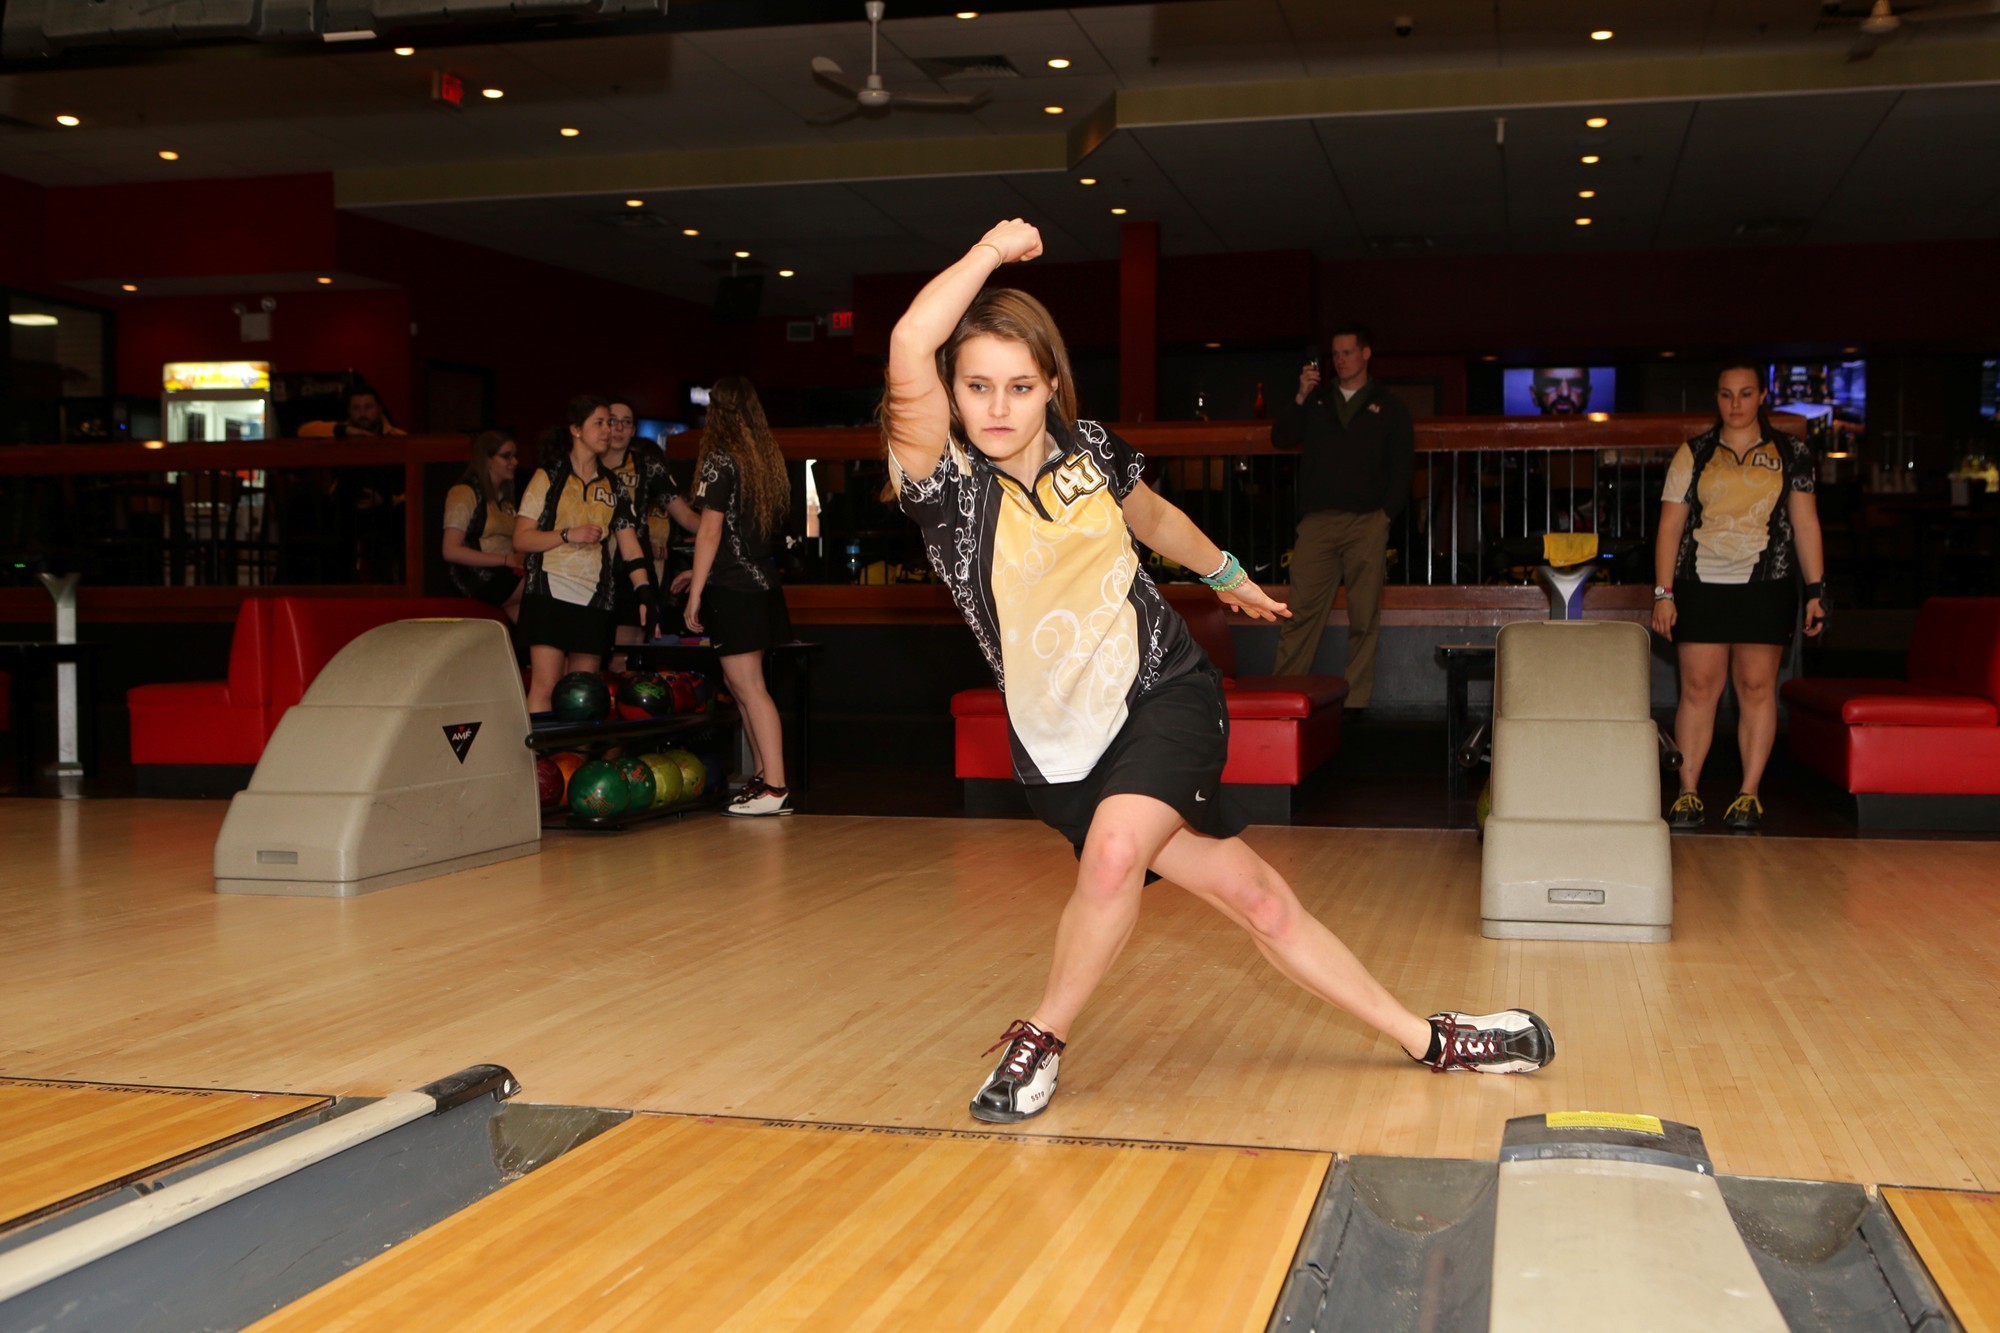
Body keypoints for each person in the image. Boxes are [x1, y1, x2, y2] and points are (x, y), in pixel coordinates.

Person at [884, 219, 1553, 1125]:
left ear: (1051, 389)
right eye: (977, 387)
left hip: (1165, 692)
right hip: (1062, 749)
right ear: (954, 396)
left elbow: (1154, 518)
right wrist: (990, 256)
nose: (997, 406)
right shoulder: (945, 487)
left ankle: (1039, 1037)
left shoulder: (1091, 450)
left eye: (1019, 385)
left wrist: (1228, 575)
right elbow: (909, 340)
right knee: (1262, 905)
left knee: (1117, 853)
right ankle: (1432, 1038)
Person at [1652, 363, 1828, 833]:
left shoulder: (1791, 453)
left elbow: (1806, 525)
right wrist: (1663, 593)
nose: (1735, 404)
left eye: (1745, 394)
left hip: (1766, 585)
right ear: (1717, 397)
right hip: (1700, 584)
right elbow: (1669, 527)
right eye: (1727, 394)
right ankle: (1687, 794)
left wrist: (1816, 590)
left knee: (1755, 689)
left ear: (1762, 396)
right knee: (1698, 690)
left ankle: (1748, 795)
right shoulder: (1694, 453)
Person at [1268, 324, 1414, 706]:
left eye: (1348, 352)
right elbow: (1281, 436)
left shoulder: (1391, 406)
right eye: (1336, 354)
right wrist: (1301, 395)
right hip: (1317, 521)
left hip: (1368, 521)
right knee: (1299, 613)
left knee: (1364, 616)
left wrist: (1385, 516)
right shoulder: (1317, 401)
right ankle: (1283, 697)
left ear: (1366, 354)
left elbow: (1403, 468)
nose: (1340, 360)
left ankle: (1356, 702)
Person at [684, 377, 796, 817]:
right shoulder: (761, 461)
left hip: (733, 587)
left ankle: (774, 787)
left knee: (749, 687)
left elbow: (709, 531)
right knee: (744, 686)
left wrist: (694, 594)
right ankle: (767, 781)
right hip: (761, 584)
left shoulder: (719, 459)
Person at [512, 396, 661, 714]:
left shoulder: (615, 485)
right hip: (548, 593)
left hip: (594, 598)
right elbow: (521, 539)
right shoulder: (548, 477)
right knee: (546, 688)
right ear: (577, 430)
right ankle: (538, 764)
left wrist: (645, 593)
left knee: (583, 696)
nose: (608, 430)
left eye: (611, 423)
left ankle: (573, 764)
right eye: (600, 423)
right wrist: (567, 534)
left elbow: (630, 545)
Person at [603, 400, 700, 667]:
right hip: (589, 567)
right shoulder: (584, 464)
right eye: (612, 420)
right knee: (586, 652)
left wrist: (719, 530)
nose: (619, 428)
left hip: (633, 568)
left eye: (626, 422)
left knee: (628, 652)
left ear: (634, 429)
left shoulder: (647, 466)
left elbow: (686, 516)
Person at [441, 430, 525, 621]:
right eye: (506, 456)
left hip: (504, 575)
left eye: (515, 456)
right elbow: (450, 550)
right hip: (475, 578)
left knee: (535, 625)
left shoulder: (506, 500)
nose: (515, 462)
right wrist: (506, 559)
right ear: (486, 459)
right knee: (545, 585)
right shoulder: (463, 493)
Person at [299, 387, 405, 438]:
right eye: (356, 408)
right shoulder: (341, 433)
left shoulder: (398, 437)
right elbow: (303, 431)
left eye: (368, 407)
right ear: (349, 411)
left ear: (379, 409)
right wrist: (345, 430)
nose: (362, 413)